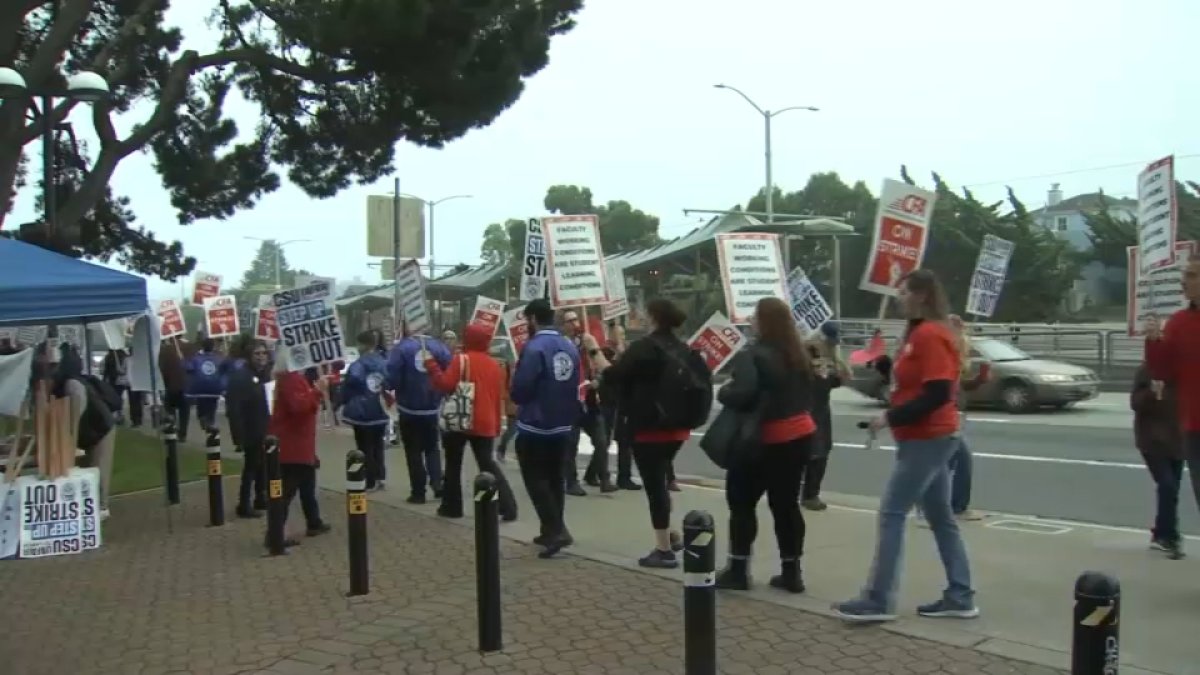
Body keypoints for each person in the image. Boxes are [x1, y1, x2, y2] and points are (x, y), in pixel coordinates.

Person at [833, 270, 977, 622]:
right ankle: (960, 595)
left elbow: (939, 391)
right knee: (941, 517)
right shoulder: (921, 333)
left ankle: (879, 599)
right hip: (925, 436)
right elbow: (914, 383)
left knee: (893, 512)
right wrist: (887, 368)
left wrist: (891, 417)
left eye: (904, 291)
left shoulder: (930, 334)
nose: (898, 297)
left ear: (922, 295)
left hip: (928, 436)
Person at [713, 297, 817, 593]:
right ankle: (791, 572)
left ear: (765, 321)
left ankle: (737, 568)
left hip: (762, 439)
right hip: (799, 435)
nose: (752, 321)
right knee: (786, 506)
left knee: (742, 502)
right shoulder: (798, 354)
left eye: (755, 316)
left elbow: (743, 393)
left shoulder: (753, 355)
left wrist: (724, 392)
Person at [603, 298, 706, 568]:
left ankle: (664, 550)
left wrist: (594, 353)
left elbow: (614, 376)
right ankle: (669, 535)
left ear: (653, 317)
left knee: (654, 488)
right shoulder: (683, 349)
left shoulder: (644, 348)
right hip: (677, 428)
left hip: (648, 428)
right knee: (660, 480)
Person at [510, 299, 581, 558]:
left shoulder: (534, 347)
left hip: (536, 425)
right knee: (555, 479)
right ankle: (550, 529)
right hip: (562, 424)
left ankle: (556, 530)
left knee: (535, 479)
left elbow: (521, 389)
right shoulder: (569, 346)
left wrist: (515, 392)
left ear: (532, 319)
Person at [425, 322, 519, 521]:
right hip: (485, 421)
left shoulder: (461, 359)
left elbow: (445, 384)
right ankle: (508, 506)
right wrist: (495, 426)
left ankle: (452, 507)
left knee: (453, 464)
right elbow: (497, 396)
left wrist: (432, 367)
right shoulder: (494, 364)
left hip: (461, 417)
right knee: (488, 464)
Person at [1144, 258, 1200, 520]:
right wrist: (1154, 341)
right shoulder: (1178, 323)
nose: (1184, 281)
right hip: (1194, 428)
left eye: (1192, 275)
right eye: (1185, 274)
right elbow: (1162, 372)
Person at [267, 347, 332, 546]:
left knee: (307, 486)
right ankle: (274, 534)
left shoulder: (292, 379)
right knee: (286, 492)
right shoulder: (291, 380)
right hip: (293, 446)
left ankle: (313, 521)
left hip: (300, 444)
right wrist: (317, 391)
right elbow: (300, 407)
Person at [387, 326, 451, 504]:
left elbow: (392, 377)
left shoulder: (401, 348)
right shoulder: (439, 347)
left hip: (409, 408)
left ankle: (418, 491)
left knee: (413, 450)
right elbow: (449, 372)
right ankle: (438, 484)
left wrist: (392, 389)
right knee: (432, 447)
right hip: (432, 407)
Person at [1131, 355, 1184, 559]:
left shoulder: (1183, 372)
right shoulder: (1146, 370)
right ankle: (1168, 537)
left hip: (1177, 440)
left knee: (1172, 490)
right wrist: (1152, 392)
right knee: (1168, 485)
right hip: (1151, 441)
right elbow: (1135, 403)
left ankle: (1161, 533)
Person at [561, 309, 615, 495]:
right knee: (571, 444)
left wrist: (597, 381)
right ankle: (571, 481)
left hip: (591, 401)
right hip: (571, 402)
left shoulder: (588, 341)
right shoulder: (562, 345)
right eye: (570, 320)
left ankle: (604, 478)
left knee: (602, 441)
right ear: (563, 325)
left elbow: (602, 366)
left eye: (576, 319)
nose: (575, 323)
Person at [801, 322, 850, 511]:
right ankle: (805, 494)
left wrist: (839, 365)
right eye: (829, 342)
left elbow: (837, 380)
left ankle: (810, 494)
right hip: (805, 410)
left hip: (820, 410)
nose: (831, 346)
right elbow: (814, 380)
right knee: (809, 453)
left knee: (821, 452)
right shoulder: (806, 354)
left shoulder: (827, 358)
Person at [225, 340, 272, 517]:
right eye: (257, 354)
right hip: (250, 429)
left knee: (263, 466)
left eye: (264, 353)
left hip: (265, 428)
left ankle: (261, 497)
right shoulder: (240, 377)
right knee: (251, 467)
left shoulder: (265, 375)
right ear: (249, 357)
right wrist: (239, 436)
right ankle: (243, 504)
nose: (261, 357)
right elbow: (234, 409)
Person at [342, 331, 391, 491]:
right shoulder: (383, 362)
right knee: (378, 445)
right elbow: (390, 381)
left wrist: (340, 402)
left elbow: (352, 382)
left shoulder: (359, 364)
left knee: (364, 446)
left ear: (363, 344)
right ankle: (380, 476)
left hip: (362, 411)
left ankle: (369, 480)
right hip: (380, 408)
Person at [185, 338, 225, 431]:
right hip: (214, 389)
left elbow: (188, 367)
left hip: (200, 389)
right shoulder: (218, 358)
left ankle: (203, 419)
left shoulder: (196, 358)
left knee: (201, 406)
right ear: (213, 346)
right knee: (212, 406)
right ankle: (210, 422)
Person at [158, 337, 191, 440]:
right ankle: (183, 433)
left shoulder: (165, 350)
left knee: (170, 409)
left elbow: (162, 368)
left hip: (171, 385)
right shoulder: (189, 348)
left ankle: (172, 429)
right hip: (185, 385)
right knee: (184, 412)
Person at [101, 348, 143, 428]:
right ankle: (139, 419)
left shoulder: (127, 360)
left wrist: (118, 366)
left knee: (132, 402)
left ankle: (134, 420)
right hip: (138, 382)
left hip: (129, 383)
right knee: (138, 401)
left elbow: (121, 371)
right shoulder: (140, 360)